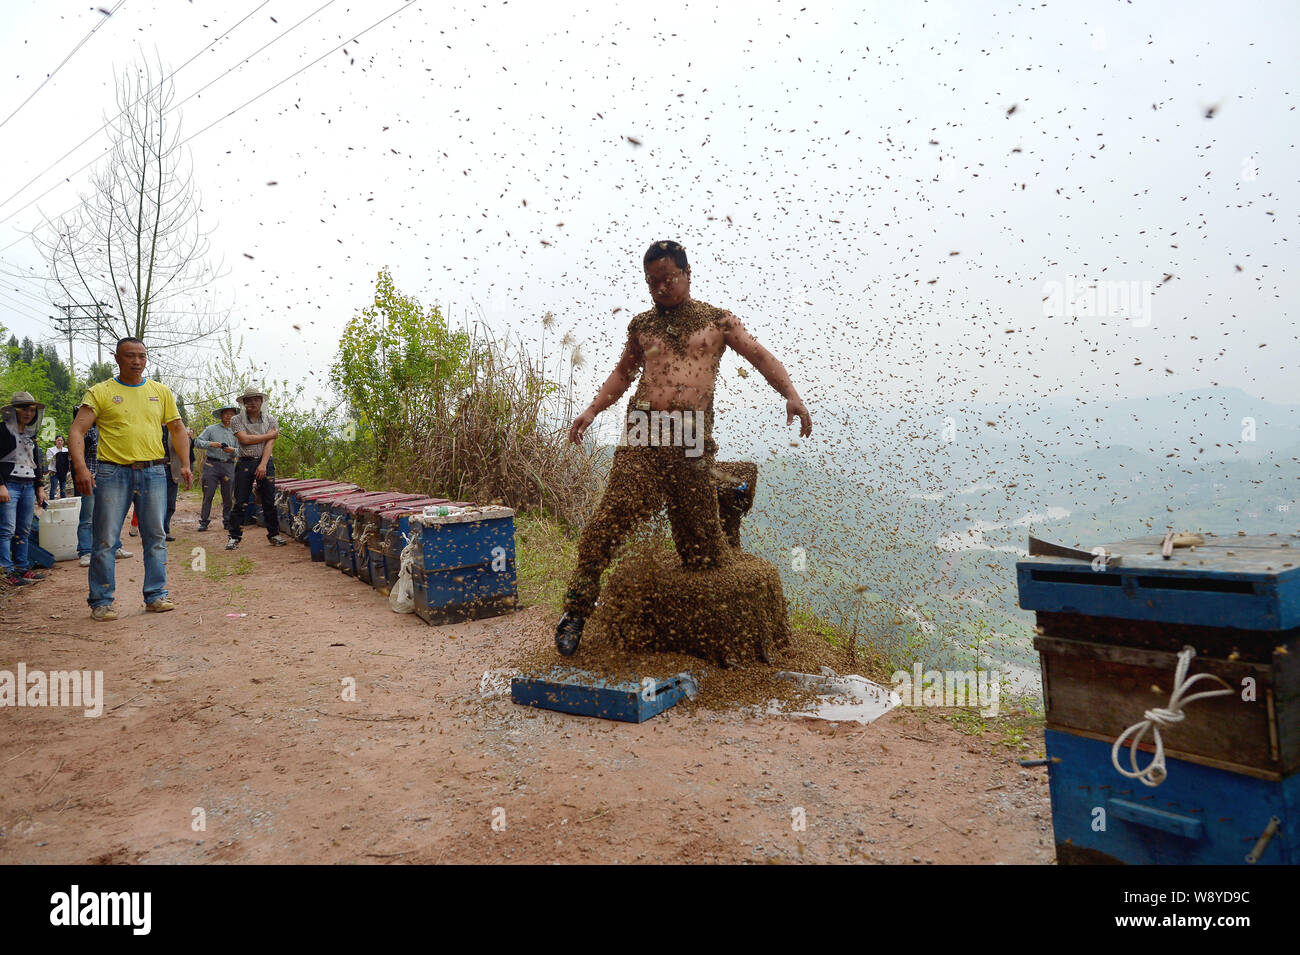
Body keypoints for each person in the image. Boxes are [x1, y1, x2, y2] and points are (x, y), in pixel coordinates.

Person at [554, 240, 812, 655]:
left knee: (703, 555)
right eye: (652, 282)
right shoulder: (642, 325)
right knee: (606, 525)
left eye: (668, 279)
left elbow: (761, 357)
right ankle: (576, 612)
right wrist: (591, 412)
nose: (660, 288)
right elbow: (622, 375)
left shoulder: (718, 322)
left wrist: (791, 395)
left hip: (691, 434)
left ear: (688, 274)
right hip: (643, 430)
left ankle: (725, 485)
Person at [68, 337, 192, 621]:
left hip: (153, 472)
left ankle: (156, 595)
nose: (137, 361)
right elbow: (77, 431)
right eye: (130, 356)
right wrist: (81, 470)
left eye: (142, 356)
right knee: (105, 539)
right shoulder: (101, 391)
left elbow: (177, 428)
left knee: (156, 536)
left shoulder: (160, 392)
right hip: (113, 472)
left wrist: (184, 464)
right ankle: (101, 601)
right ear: (117, 358)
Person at [226, 386, 289, 550]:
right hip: (244, 462)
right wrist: (269, 435)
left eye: (256, 399)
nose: (253, 402)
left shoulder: (271, 420)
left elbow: (270, 444)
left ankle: (274, 534)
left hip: (265, 461)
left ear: (261, 401)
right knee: (240, 501)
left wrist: (262, 464)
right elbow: (244, 439)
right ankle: (234, 537)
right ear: (244, 402)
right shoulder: (236, 420)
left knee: (269, 500)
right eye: (249, 400)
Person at [0, 392, 50, 587]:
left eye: (31, 409)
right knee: (6, 529)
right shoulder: (3, 431)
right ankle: (6, 571)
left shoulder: (31, 435)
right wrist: (1, 485)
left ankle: (22, 568)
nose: (28, 413)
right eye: (24, 409)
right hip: (9, 484)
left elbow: (35, 462)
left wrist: (40, 487)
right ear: (13, 411)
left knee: (24, 529)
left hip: (28, 485)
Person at [194, 404, 239, 532]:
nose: (228, 416)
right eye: (226, 413)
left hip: (228, 464)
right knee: (208, 494)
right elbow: (197, 442)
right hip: (211, 465)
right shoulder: (211, 429)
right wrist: (211, 444)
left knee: (228, 496)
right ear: (221, 415)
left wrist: (232, 450)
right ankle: (204, 521)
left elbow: (241, 450)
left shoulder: (237, 432)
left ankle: (227, 521)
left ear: (235, 416)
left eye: (231, 414)